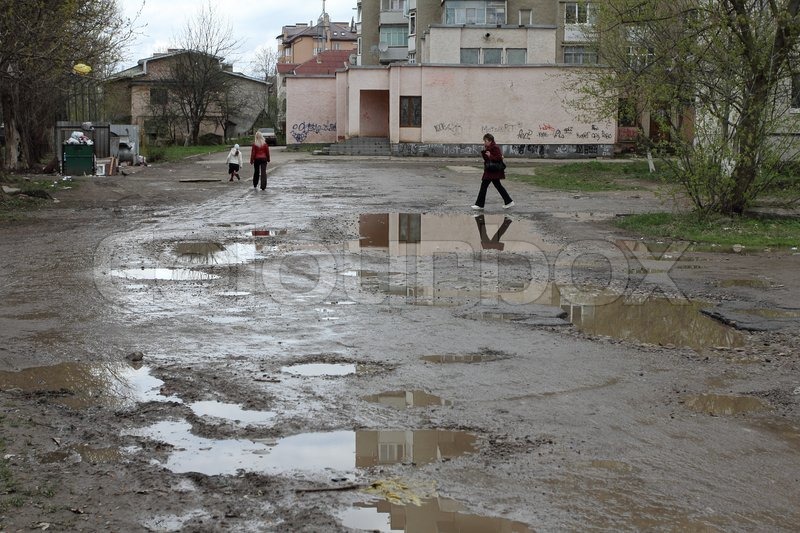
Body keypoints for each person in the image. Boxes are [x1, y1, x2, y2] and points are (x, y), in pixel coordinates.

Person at [472, 133, 514, 210]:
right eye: (484, 141)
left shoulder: (495, 147)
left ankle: (479, 205)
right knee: (498, 186)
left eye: (486, 141)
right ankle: (508, 201)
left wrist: (490, 155)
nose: (484, 142)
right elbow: (488, 159)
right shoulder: (489, 147)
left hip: (492, 170)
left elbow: (499, 158)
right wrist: (486, 154)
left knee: (484, 186)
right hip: (491, 170)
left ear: (490, 141)